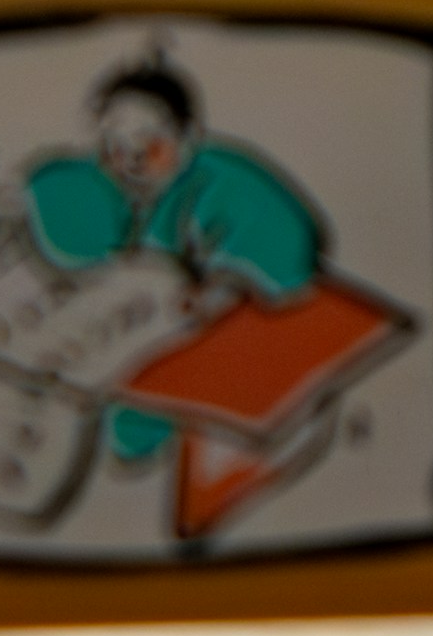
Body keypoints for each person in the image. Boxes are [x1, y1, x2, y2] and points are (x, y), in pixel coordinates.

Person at [19, 53, 325, 463]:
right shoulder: (100, 187)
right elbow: (59, 206)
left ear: (189, 136)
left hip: (221, 329)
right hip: (130, 322)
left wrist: (226, 286)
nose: (132, 161)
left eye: (152, 145)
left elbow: (286, 252)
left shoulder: (221, 181)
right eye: (114, 146)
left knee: (137, 425)